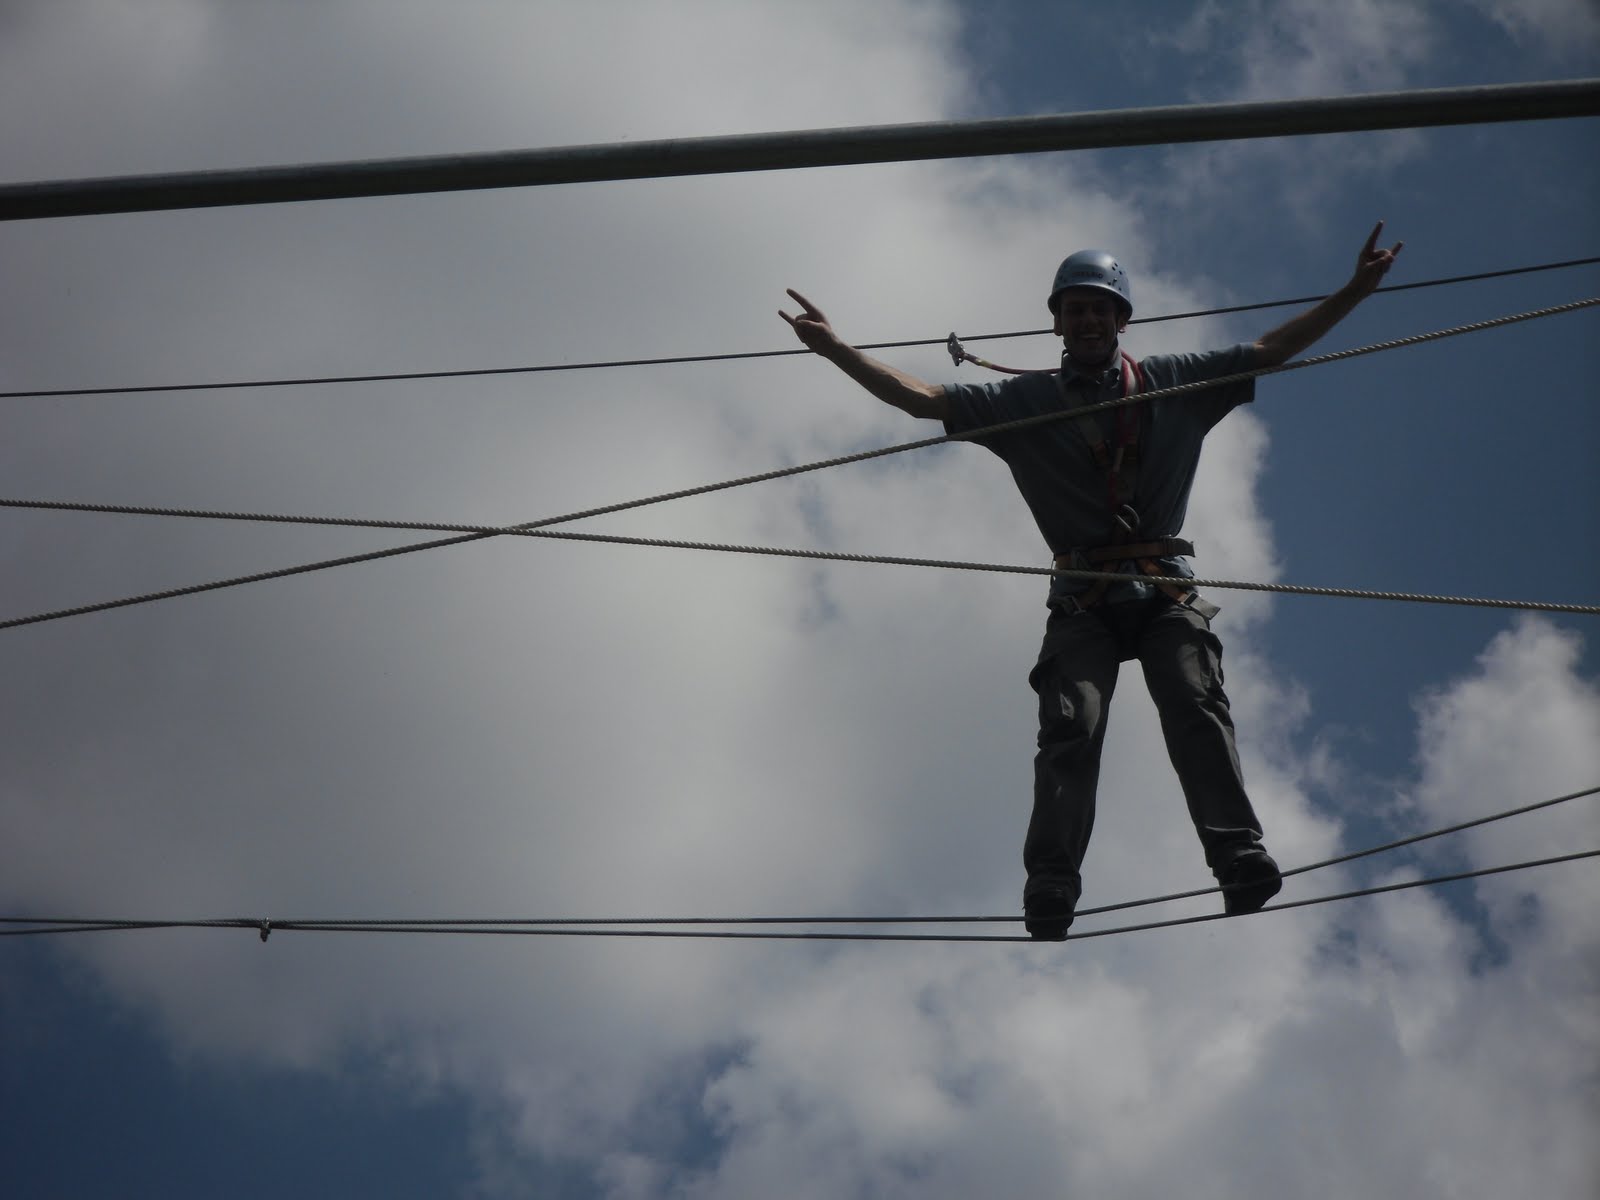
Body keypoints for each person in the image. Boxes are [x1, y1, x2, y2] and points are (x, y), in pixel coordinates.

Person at [780, 222, 1402, 939]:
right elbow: (923, 398)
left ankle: (1238, 856)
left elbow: (1270, 350)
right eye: (1074, 310)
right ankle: (1051, 883)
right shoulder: (1023, 403)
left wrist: (1355, 292)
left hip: (1164, 592)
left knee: (1196, 704)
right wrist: (837, 351)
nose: (1087, 321)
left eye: (1099, 309)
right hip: (1084, 602)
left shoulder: (1174, 382)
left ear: (1120, 319)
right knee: (1070, 726)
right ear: (1057, 323)